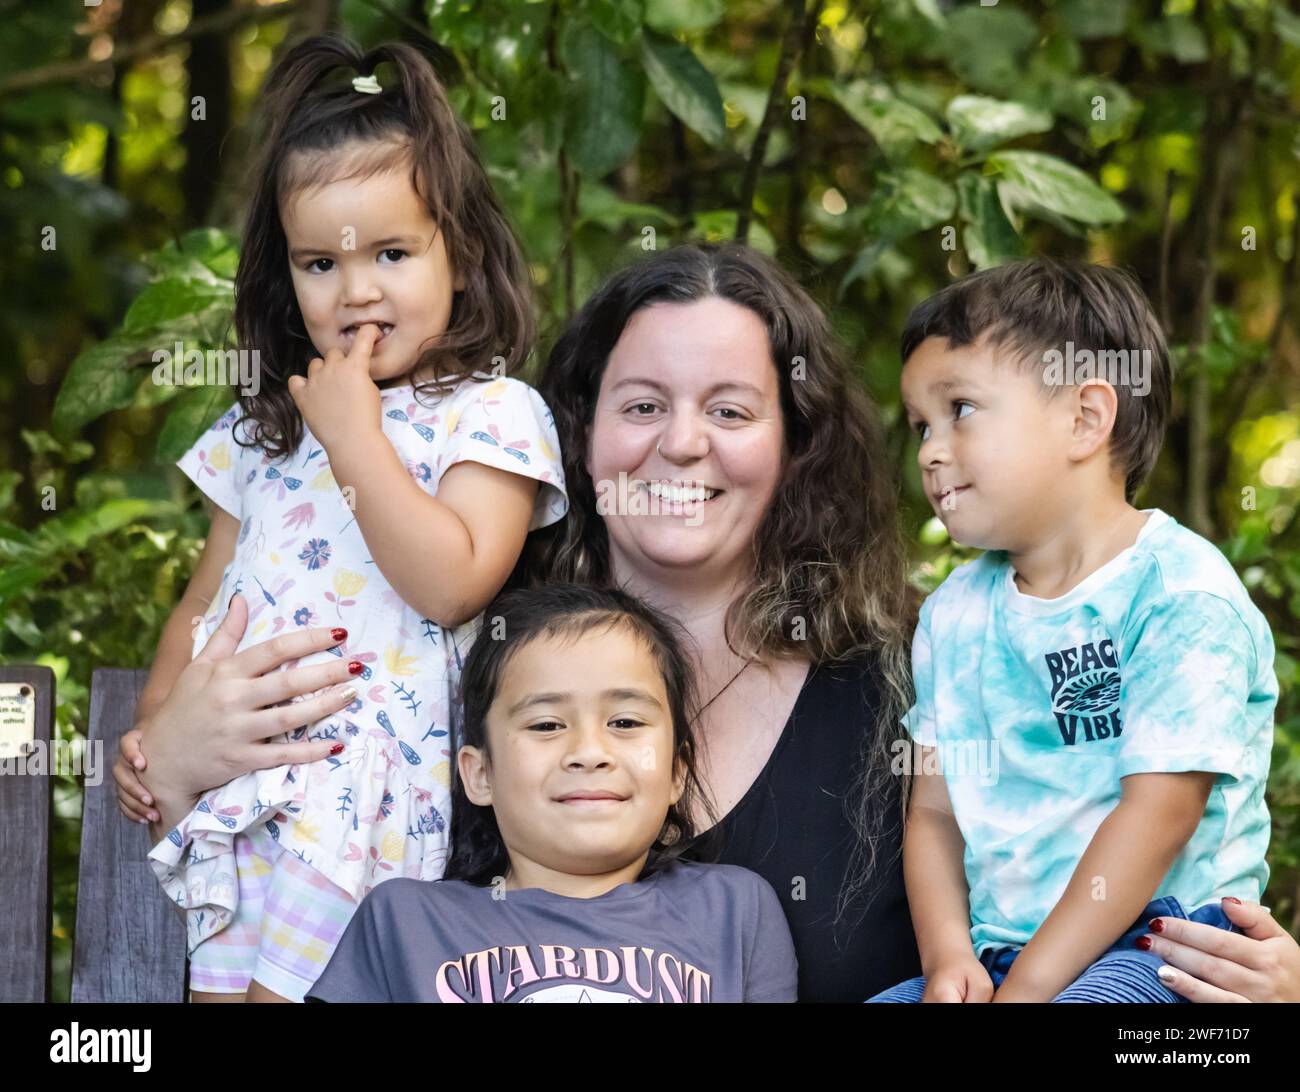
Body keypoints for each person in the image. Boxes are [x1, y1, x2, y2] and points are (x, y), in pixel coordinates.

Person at [114, 245, 1300, 1003]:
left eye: (729, 408)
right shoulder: (461, 666)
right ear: (574, 436)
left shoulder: (910, 674)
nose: (680, 444)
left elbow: (1112, 847)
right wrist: (169, 754)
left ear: (792, 447)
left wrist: (1267, 989)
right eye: (640, 405)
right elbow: (242, 842)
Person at [140, 34, 567, 1003]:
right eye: (318, 262)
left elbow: (453, 579)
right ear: (282, 277)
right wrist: (156, 729)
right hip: (244, 797)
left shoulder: (490, 413)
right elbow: (200, 601)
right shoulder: (260, 432)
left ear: (458, 254)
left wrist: (355, 440)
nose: (356, 289)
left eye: (390, 251)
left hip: (369, 804)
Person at [868, 258, 1276, 1002]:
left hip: (1171, 943)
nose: (928, 449)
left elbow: (1159, 814)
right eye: (920, 424)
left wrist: (1031, 989)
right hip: (1003, 954)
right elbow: (933, 813)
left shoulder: (1179, 591)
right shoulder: (955, 615)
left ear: (1086, 419)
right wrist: (948, 958)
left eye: (959, 408)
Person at [305, 583, 797, 1002]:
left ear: (676, 773)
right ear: (480, 775)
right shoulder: (405, 921)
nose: (588, 752)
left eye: (624, 721)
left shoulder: (734, 911)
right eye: (546, 724)